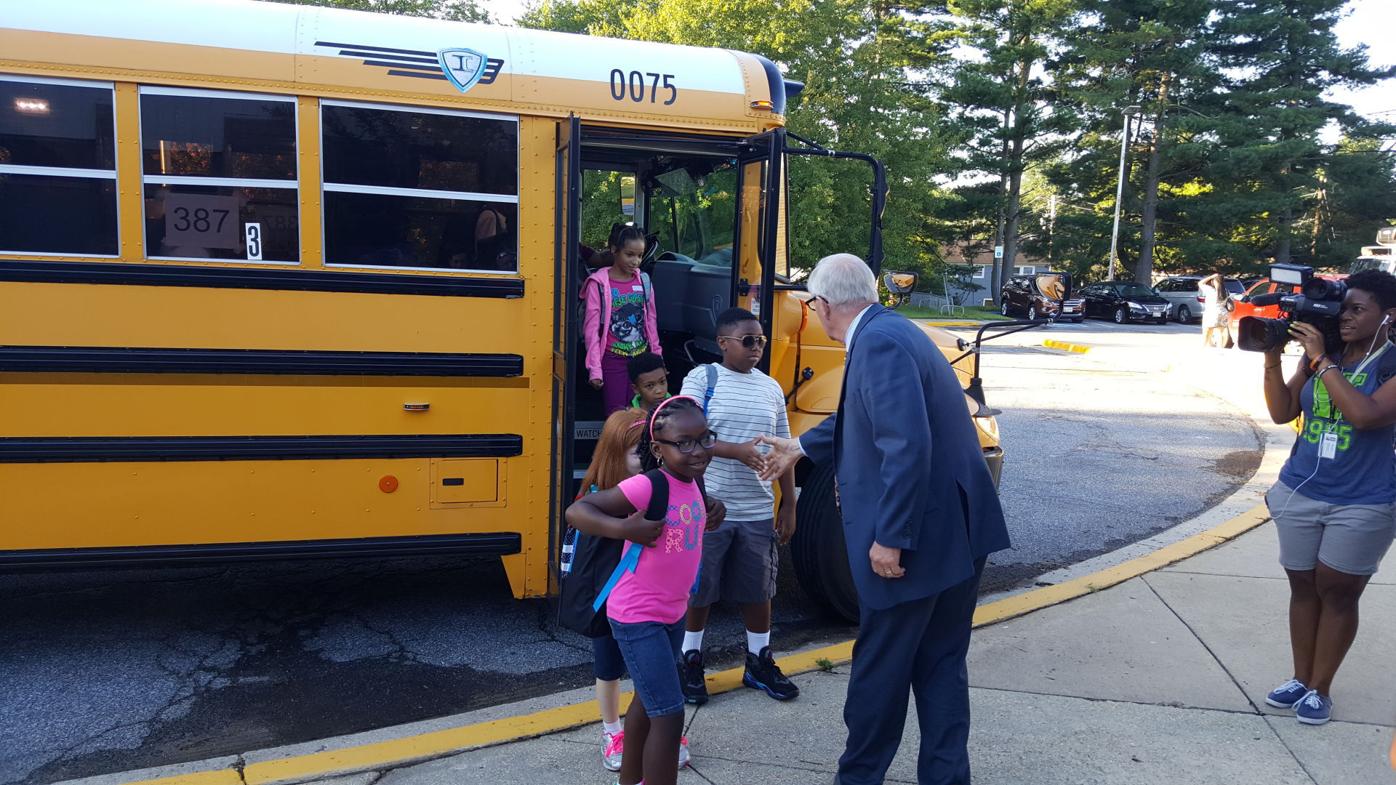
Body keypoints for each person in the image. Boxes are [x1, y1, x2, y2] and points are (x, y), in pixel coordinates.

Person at [758, 253, 1010, 785]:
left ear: (822, 305)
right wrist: (799, 446)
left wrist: (891, 538)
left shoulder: (876, 344)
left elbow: (905, 446)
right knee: (941, 663)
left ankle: (859, 777)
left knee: (880, 670)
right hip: (957, 529)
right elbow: (864, 419)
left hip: (920, 538)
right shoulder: (896, 330)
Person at [1259, 269, 1396, 726]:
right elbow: (1282, 411)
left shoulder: (1389, 363)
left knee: (1337, 591)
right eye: (1344, 309)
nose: (1346, 318)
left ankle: (1321, 688)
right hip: (1303, 487)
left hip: (1365, 499)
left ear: (1387, 316)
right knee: (1302, 586)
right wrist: (1273, 357)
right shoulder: (1326, 354)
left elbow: (1365, 414)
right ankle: (1300, 678)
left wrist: (1324, 362)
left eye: (1358, 310)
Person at [565, 397, 720, 785]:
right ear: (658, 449)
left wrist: (713, 509)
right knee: (668, 713)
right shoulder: (647, 485)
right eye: (683, 443)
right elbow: (578, 511)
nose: (697, 450)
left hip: (672, 612)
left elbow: (688, 521)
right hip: (638, 615)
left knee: (646, 704)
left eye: (705, 439)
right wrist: (624, 529)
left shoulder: (694, 481)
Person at [676, 307, 799, 705]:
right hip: (708, 505)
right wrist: (738, 452)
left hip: (756, 508)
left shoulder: (770, 388)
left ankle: (759, 660)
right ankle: (690, 659)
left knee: (758, 589)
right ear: (723, 343)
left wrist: (789, 504)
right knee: (699, 588)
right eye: (748, 341)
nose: (757, 348)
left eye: (761, 340)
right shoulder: (703, 378)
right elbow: (684, 436)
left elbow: (784, 450)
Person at [583, 225, 662, 415]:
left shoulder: (643, 281)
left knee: (643, 413)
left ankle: (640, 446)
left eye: (640, 255)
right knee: (617, 415)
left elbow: (651, 323)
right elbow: (591, 330)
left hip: (641, 358)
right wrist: (595, 369)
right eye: (629, 254)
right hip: (613, 359)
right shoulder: (599, 284)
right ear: (613, 249)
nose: (635, 261)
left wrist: (658, 359)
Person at [1200, 273, 1230, 348]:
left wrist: (1211, 276)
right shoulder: (1225, 291)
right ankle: (1220, 349)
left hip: (1211, 312)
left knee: (1207, 331)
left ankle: (1204, 347)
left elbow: (1200, 283)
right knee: (1220, 332)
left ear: (1214, 282)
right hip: (1223, 313)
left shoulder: (1210, 290)